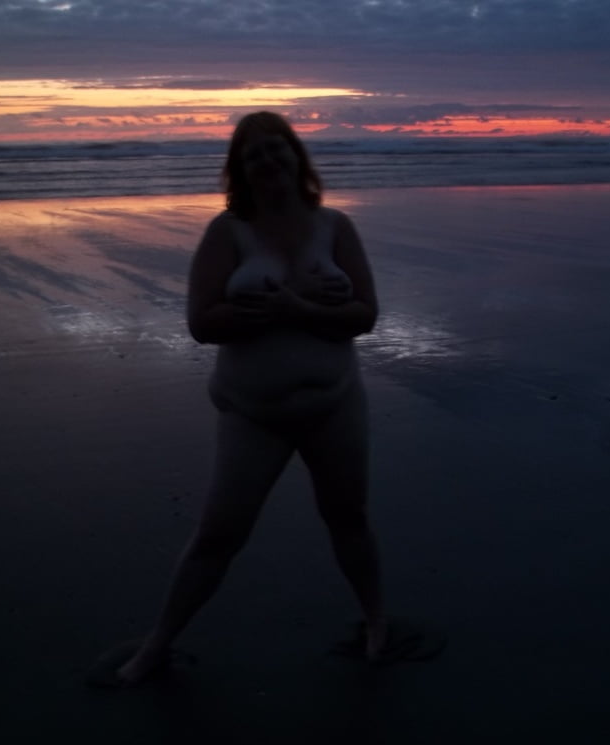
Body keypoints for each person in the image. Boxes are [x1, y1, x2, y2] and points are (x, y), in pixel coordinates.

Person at [89, 112, 389, 687]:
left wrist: (293, 307)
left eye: (277, 148)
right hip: (255, 415)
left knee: (349, 518)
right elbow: (202, 324)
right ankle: (157, 645)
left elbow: (365, 316)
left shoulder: (335, 226)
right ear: (239, 170)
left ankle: (376, 621)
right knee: (219, 535)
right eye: (254, 155)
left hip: (335, 404)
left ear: (296, 155)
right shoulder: (227, 233)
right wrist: (292, 305)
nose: (267, 161)